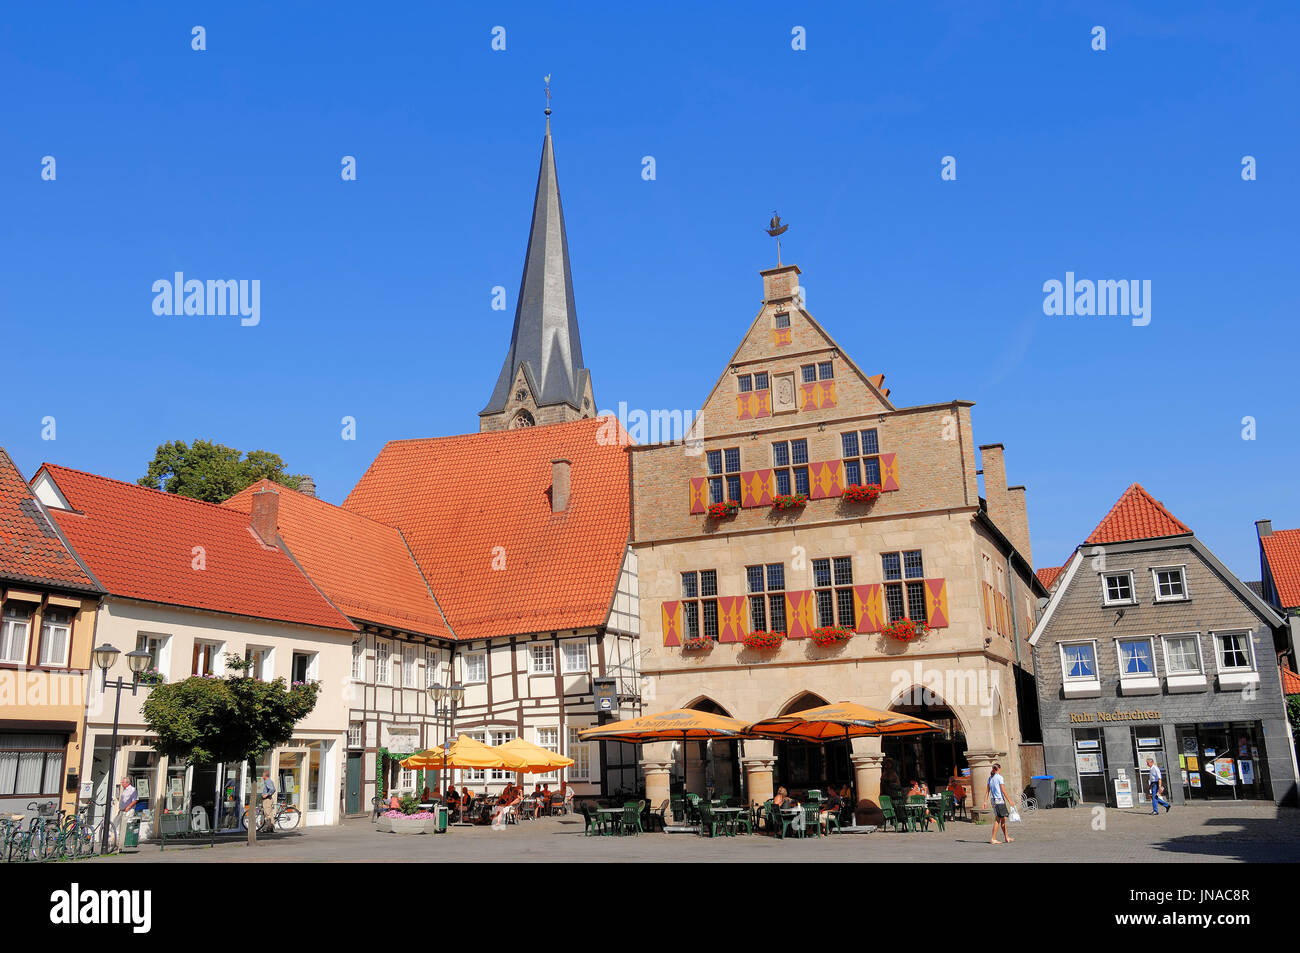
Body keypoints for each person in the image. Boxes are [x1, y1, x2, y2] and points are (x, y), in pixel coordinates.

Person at [985, 763, 1013, 845]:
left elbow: (987, 791)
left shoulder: (990, 778)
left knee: (1003, 818)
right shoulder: (999, 778)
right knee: (998, 819)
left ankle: (1007, 837)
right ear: (999, 769)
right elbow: (1003, 791)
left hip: (993, 800)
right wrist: (1009, 800)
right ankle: (993, 838)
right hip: (999, 800)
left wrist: (985, 801)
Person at [116, 776, 138, 849]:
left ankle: (123, 843)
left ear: (127, 783)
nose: (122, 784)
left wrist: (128, 807)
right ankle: (119, 842)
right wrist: (120, 809)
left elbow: (135, 800)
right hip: (122, 810)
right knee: (119, 825)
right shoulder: (125, 790)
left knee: (125, 826)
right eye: (122, 782)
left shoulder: (132, 789)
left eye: (123, 782)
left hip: (128, 810)